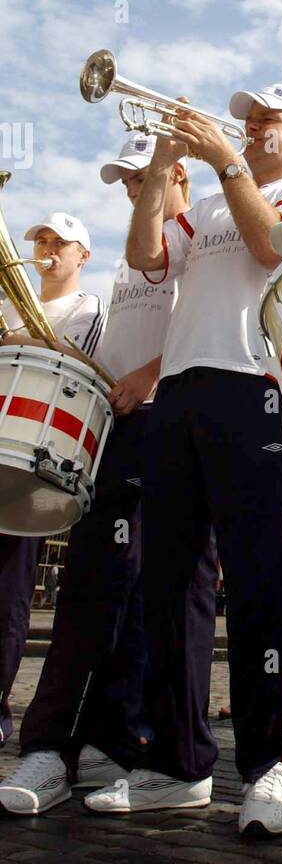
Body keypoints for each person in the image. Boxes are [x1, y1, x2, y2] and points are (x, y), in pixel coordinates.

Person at [85, 84, 282, 838]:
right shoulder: (214, 203)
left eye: (269, 121)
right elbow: (146, 255)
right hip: (181, 392)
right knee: (170, 583)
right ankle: (177, 761)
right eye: (247, 118)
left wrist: (227, 158)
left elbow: (275, 248)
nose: (252, 127)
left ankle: (269, 767)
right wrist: (161, 169)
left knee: (262, 582)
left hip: (254, 386)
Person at [0, 136, 217, 814]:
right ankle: (95, 738)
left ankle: (67, 743)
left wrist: (147, 378)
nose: (131, 189)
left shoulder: (203, 244)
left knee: (132, 589)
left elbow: (205, 330)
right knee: (104, 585)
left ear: (177, 173)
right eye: (125, 180)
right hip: (118, 432)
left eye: (142, 177)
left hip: (166, 422)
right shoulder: (133, 262)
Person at [0, 212, 105, 747]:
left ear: (81, 255)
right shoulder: (6, 306)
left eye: (57, 242)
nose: (45, 248)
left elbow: (78, 362)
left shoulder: (87, 307)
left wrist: (22, 337)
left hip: (32, 454)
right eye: (39, 239)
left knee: (9, 591)